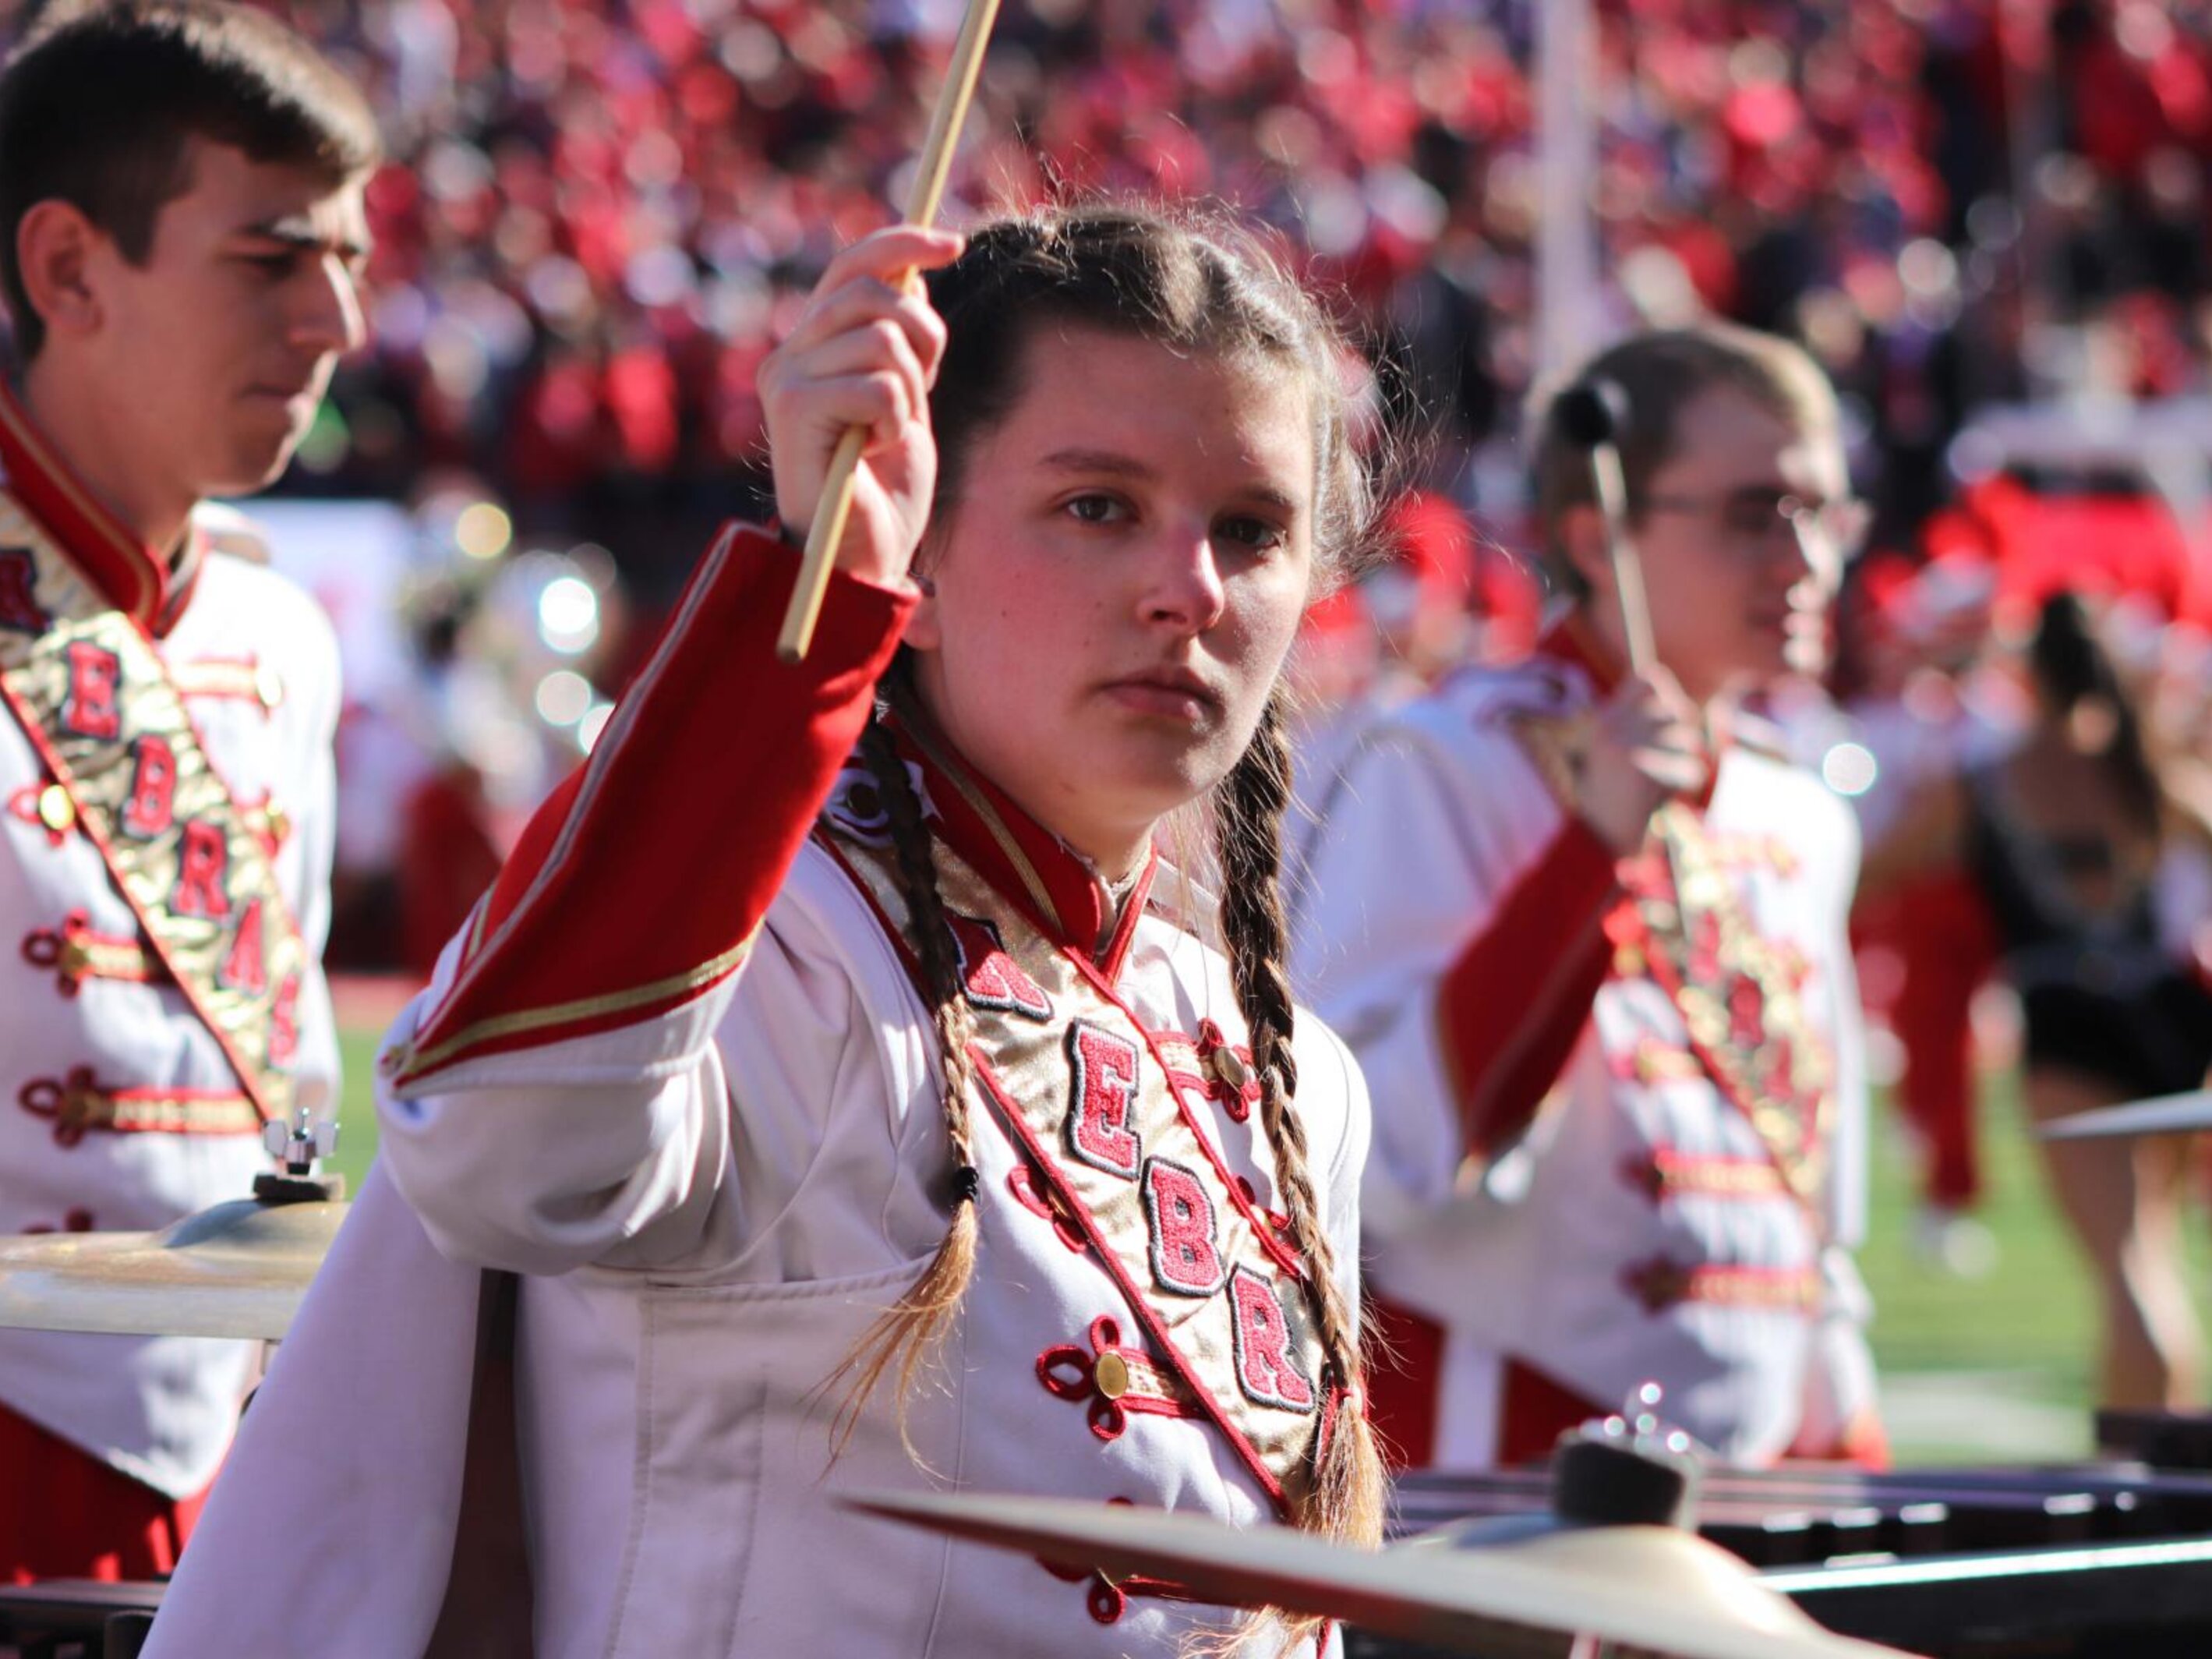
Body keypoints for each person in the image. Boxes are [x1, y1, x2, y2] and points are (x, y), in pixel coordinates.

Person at [150, 204, 1384, 1657]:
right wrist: (812, 594)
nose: (1189, 588)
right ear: (917, 559)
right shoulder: (768, 956)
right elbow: (498, 1143)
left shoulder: (1294, 1074)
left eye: (1249, 531)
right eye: (1096, 506)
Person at [1292, 324, 1884, 1471]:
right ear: (1594, 534)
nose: (1805, 562)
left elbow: (1817, 1205)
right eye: (1754, 514)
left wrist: (1841, 1438)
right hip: (1503, 1463)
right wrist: (1592, 849)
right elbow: (1383, 1160)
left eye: (1825, 515)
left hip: (1753, 1477)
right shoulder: (1445, 759)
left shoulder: (1800, 810)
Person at [0, 0, 371, 1581]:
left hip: (223, 1484)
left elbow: (287, 1077)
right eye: (272, 259)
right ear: (70, 270)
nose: (336, 319)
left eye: (350, 260)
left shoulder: (284, 638)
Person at [1871, 589, 2212, 1411]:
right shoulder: (2140, 763)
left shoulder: (1992, 779)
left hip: (2071, 1028)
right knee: (2152, 1258)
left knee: (2127, 1273)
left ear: (2030, 674)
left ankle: (2152, 1452)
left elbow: (1872, 872)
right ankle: (2160, 1441)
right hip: (2172, 1020)